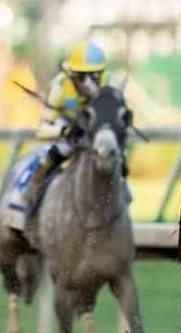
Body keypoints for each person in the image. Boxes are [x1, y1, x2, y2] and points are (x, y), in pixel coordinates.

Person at [19, 40, 119, 211]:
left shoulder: (110, 85)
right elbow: (41, 130)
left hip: (97, 129)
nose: (88, 83)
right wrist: (64, 130)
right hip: (70, 130)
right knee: (64, 147)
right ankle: (33, 187)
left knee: (113, 151)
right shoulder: (60, 87)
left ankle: (123, 191)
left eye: (94, 76)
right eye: (81, 76)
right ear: (71, 74)